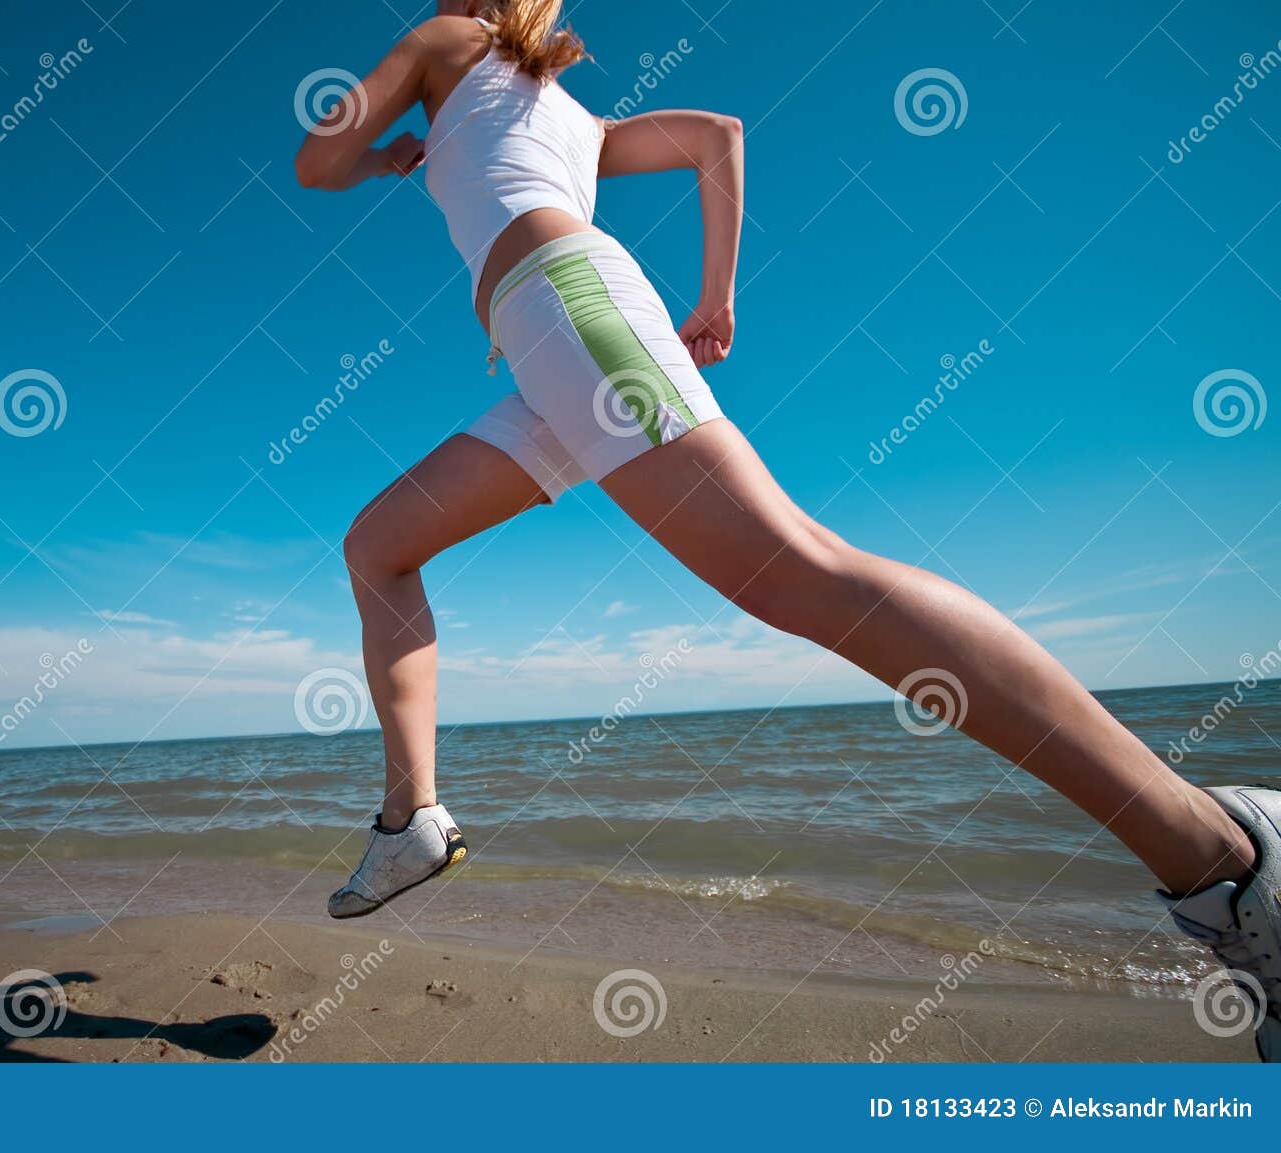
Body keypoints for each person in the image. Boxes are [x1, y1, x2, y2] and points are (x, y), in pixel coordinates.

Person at [294, 0, 1279, 1059]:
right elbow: (719, 134)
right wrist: (713, 299)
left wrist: (383, 154)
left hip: (567, 312)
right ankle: (413, 824)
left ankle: (1226, 857)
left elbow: (316, 160)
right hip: (552, 346)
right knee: (380, 544)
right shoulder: (569, 121)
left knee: (793, 570)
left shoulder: (452, 41)